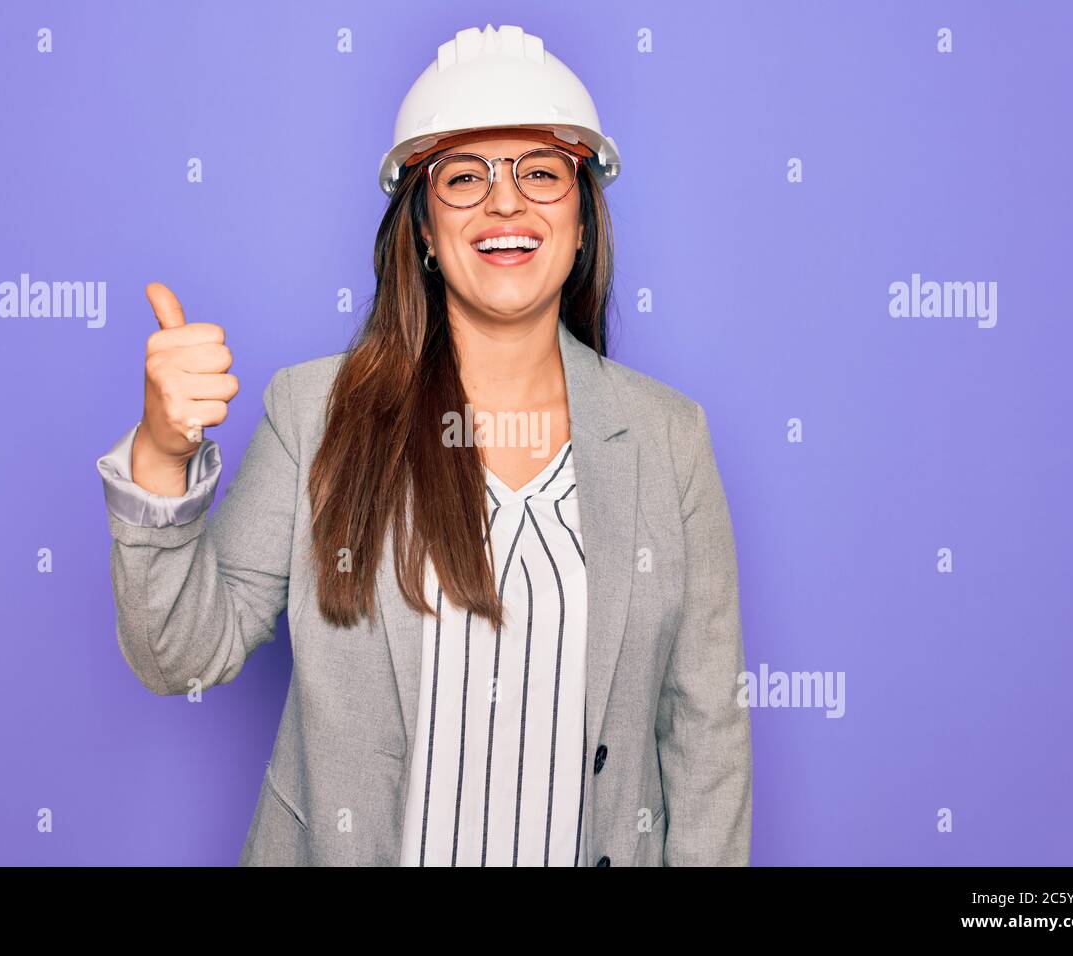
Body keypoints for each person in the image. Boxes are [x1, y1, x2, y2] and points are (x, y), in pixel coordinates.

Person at [95, 23, 751, 866]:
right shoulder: (315, 413)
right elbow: (180, 653)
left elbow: (707, 734)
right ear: (425, 232)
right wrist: (160, 454)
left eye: (541, 173)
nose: (505, 202)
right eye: (465, 176)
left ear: (583, 222)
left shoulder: (669, 437)